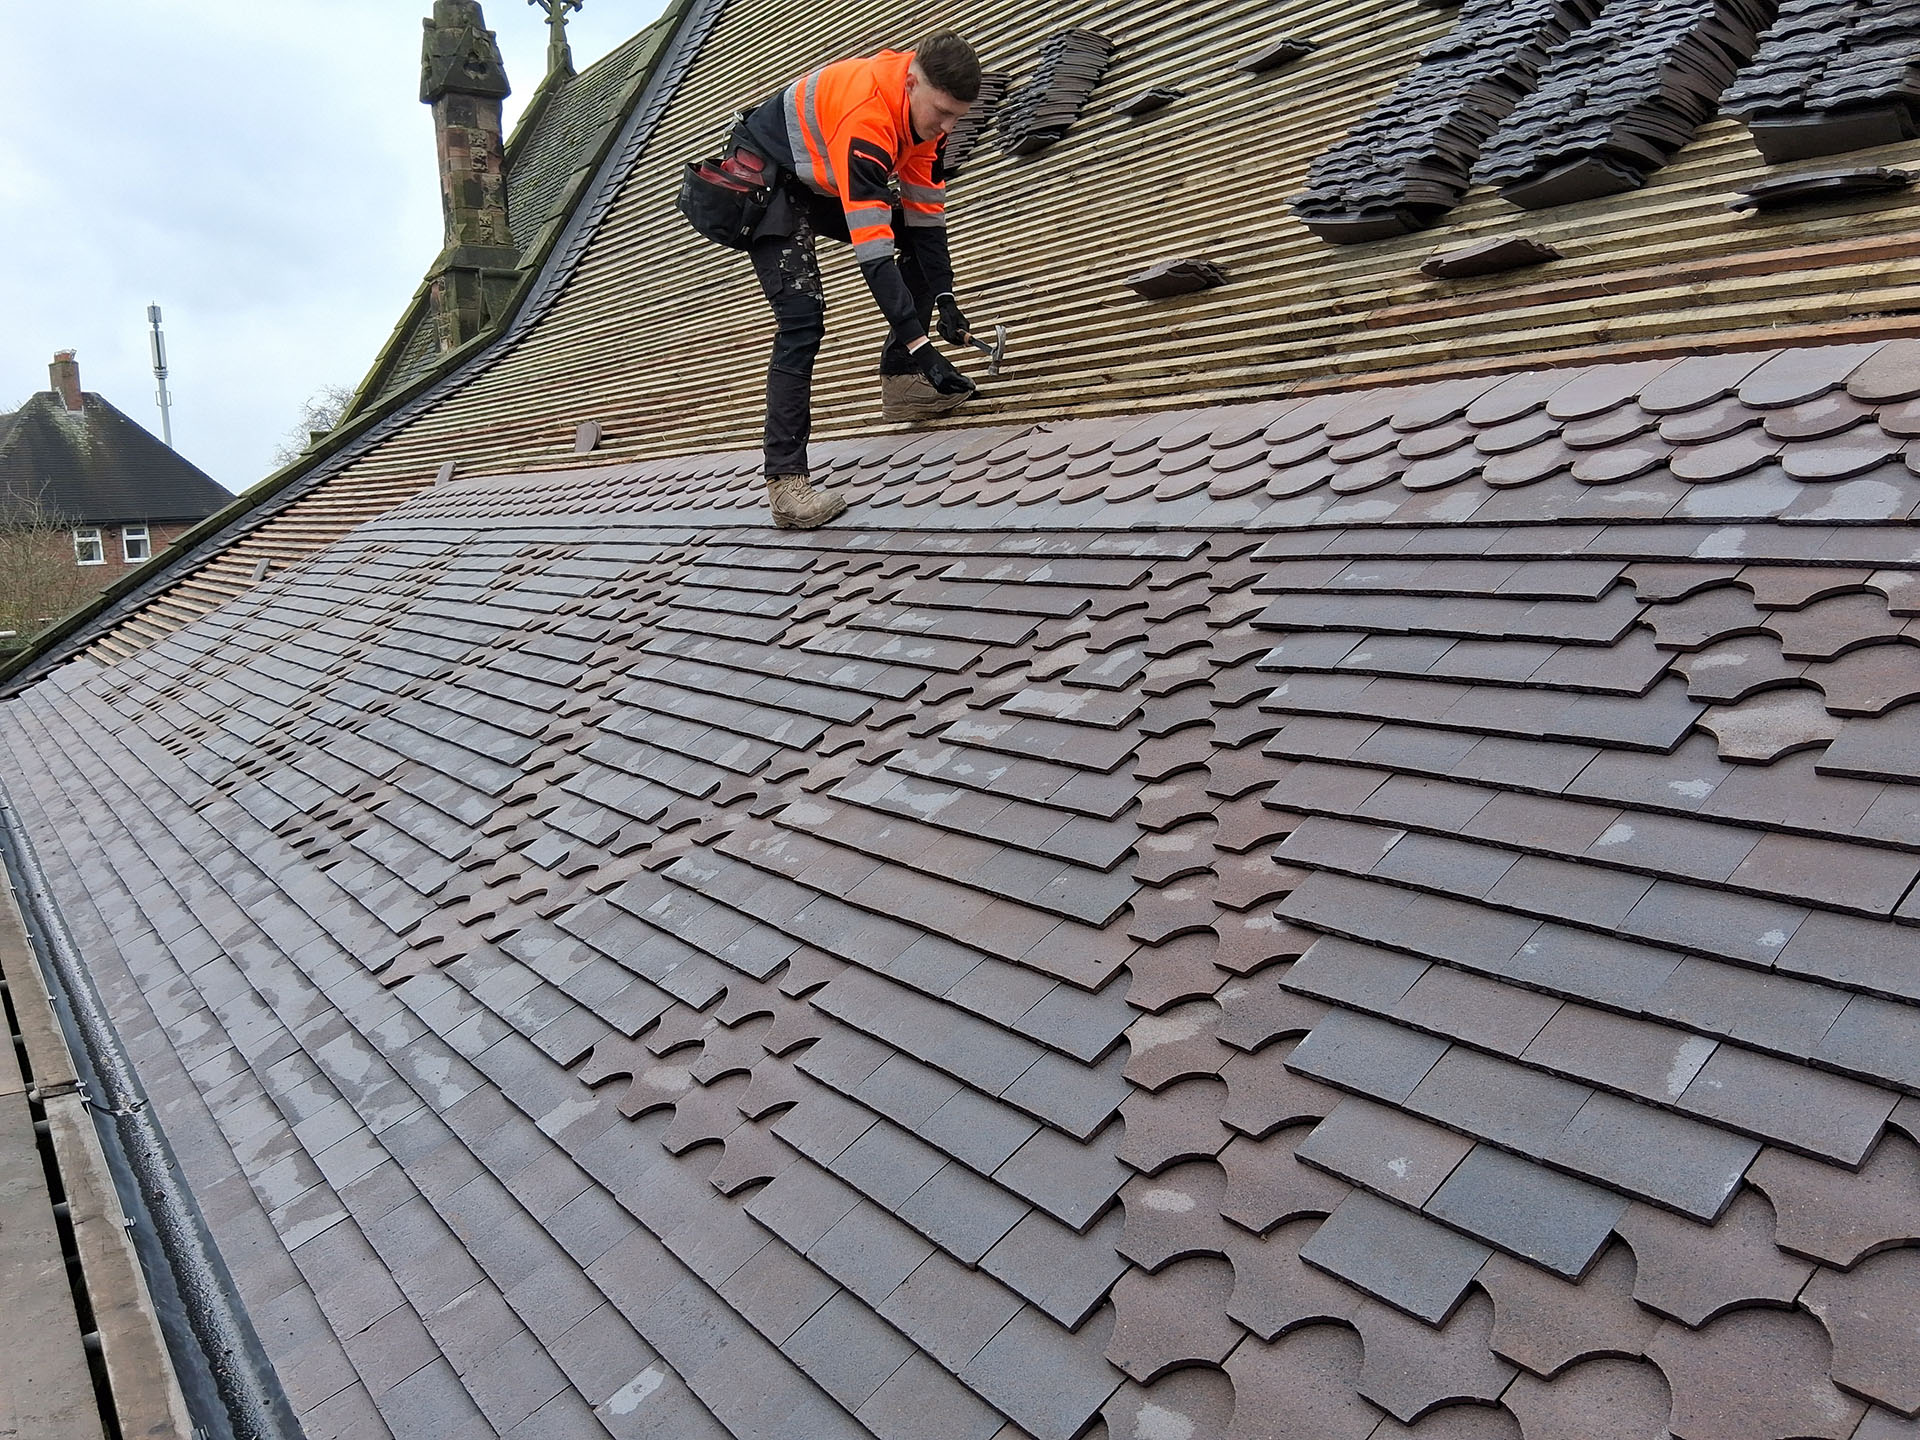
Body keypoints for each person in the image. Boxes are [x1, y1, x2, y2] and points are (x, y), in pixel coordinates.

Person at [734, 32, 985, 529]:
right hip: (765, 180)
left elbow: (926, 222)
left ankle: (901, 385)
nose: (948, 126)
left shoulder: (923, 123)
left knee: (910, 238)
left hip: (814, 175)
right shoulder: (870, 120)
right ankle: (786, 484)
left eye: (958, 115)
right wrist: (922, 345)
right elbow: (874, 258)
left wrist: (945, 297)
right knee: (801, 317)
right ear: (912, 82)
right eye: (942, 111)